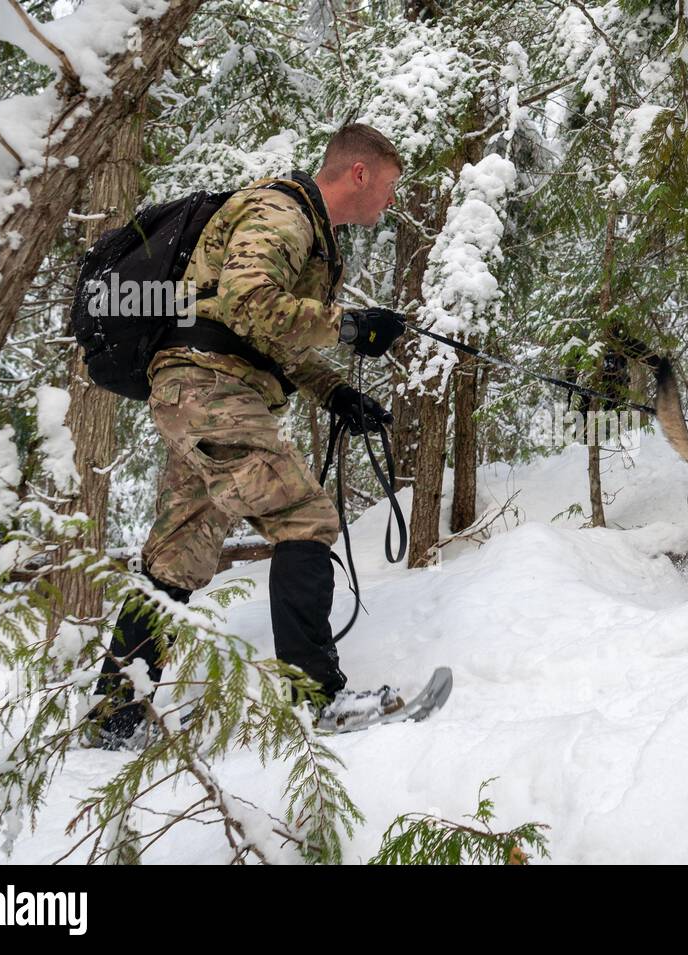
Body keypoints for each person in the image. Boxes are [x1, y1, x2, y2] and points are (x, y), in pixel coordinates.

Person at [86, 123, 409, 748]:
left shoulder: (308, 230)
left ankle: (114, 717)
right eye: (390, 187)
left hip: (200, 390)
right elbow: (246, 304)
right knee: (304, 516)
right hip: (210, 392)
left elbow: (262, 335)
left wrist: (334, 391)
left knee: (180, 553)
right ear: (359, 173)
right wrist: (348, 327)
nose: (390, 203)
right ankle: (320, 699)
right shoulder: (283, 212)